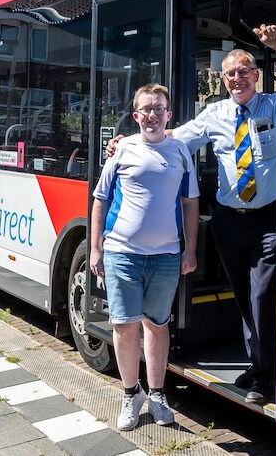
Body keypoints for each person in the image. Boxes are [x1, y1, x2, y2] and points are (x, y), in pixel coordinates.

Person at [107, 24, 276, 404]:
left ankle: (265, 375)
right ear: (223, 79)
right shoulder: (214, 114)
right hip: (228, 220)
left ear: (256, 75)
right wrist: (127, 141)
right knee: (243, 296)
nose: (237, 79)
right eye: (230, 73)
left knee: (262, 295)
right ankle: (258, 366)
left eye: (244, 71)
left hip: (268, 220)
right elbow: (172, 135)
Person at [90, 83, 199, 431]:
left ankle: (157, 394)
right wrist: (95, 247)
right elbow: (100, 198)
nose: (152, 115)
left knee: (157, 324)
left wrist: (190, 249)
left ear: (169, 115)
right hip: (122, 253)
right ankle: (130, 394)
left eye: (158, 109)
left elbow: (190, 203)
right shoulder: (121, 149)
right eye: (146, 109)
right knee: (124, 326)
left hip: (166, 256)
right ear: (136, 116)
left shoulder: (180, 151)